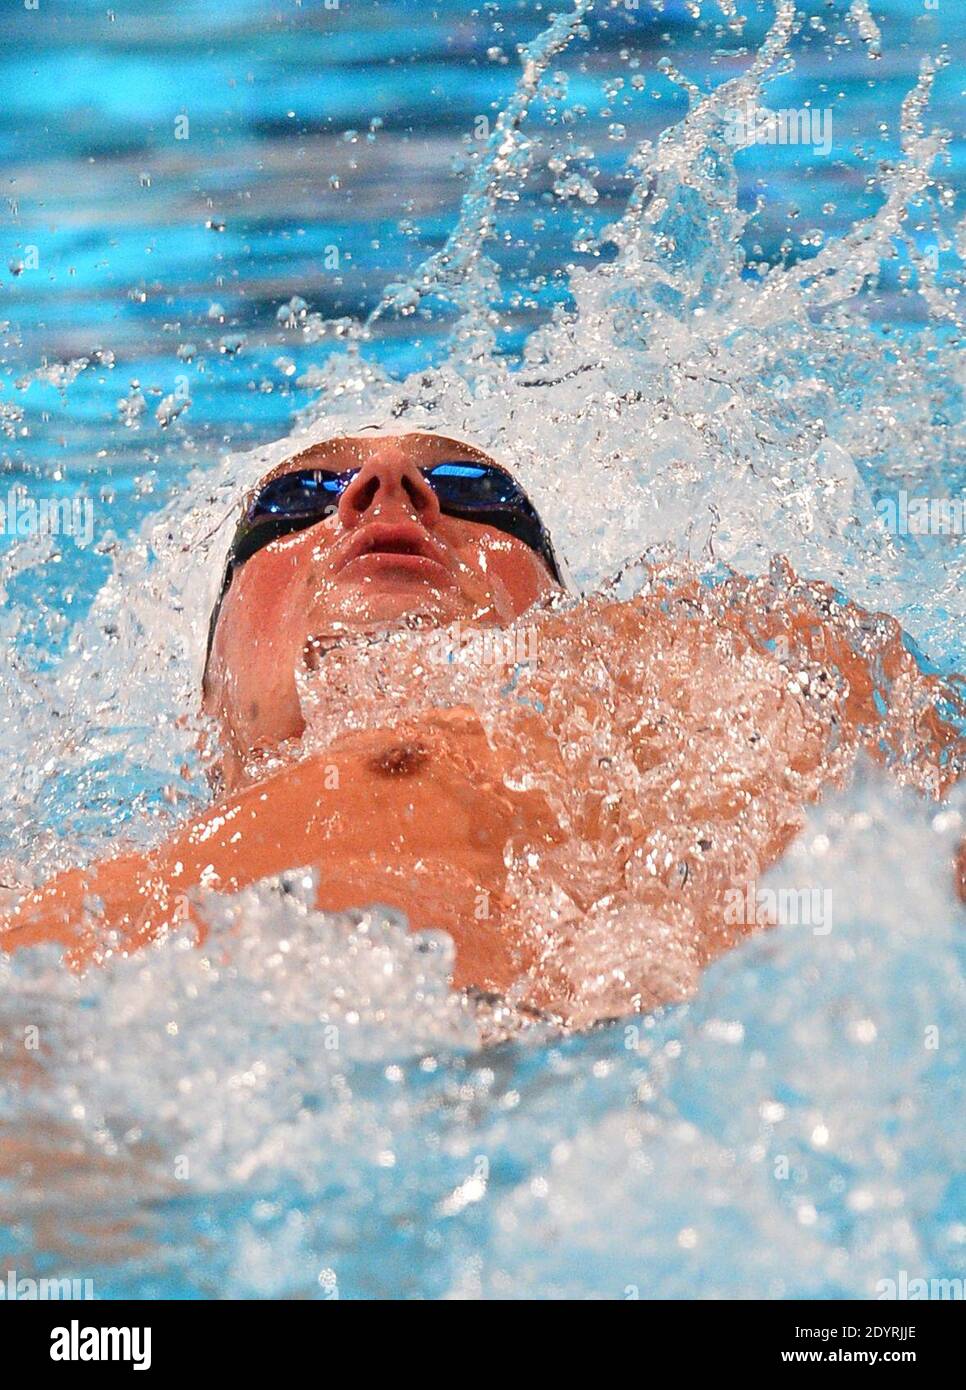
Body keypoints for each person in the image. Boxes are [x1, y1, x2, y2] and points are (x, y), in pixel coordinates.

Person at [1, 430, 962, 1022]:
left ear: (561, 607)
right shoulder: (65, 907)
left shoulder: (725, 672)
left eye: (472, 489)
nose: (384, 486)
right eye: (292, 502)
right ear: (208, 709)